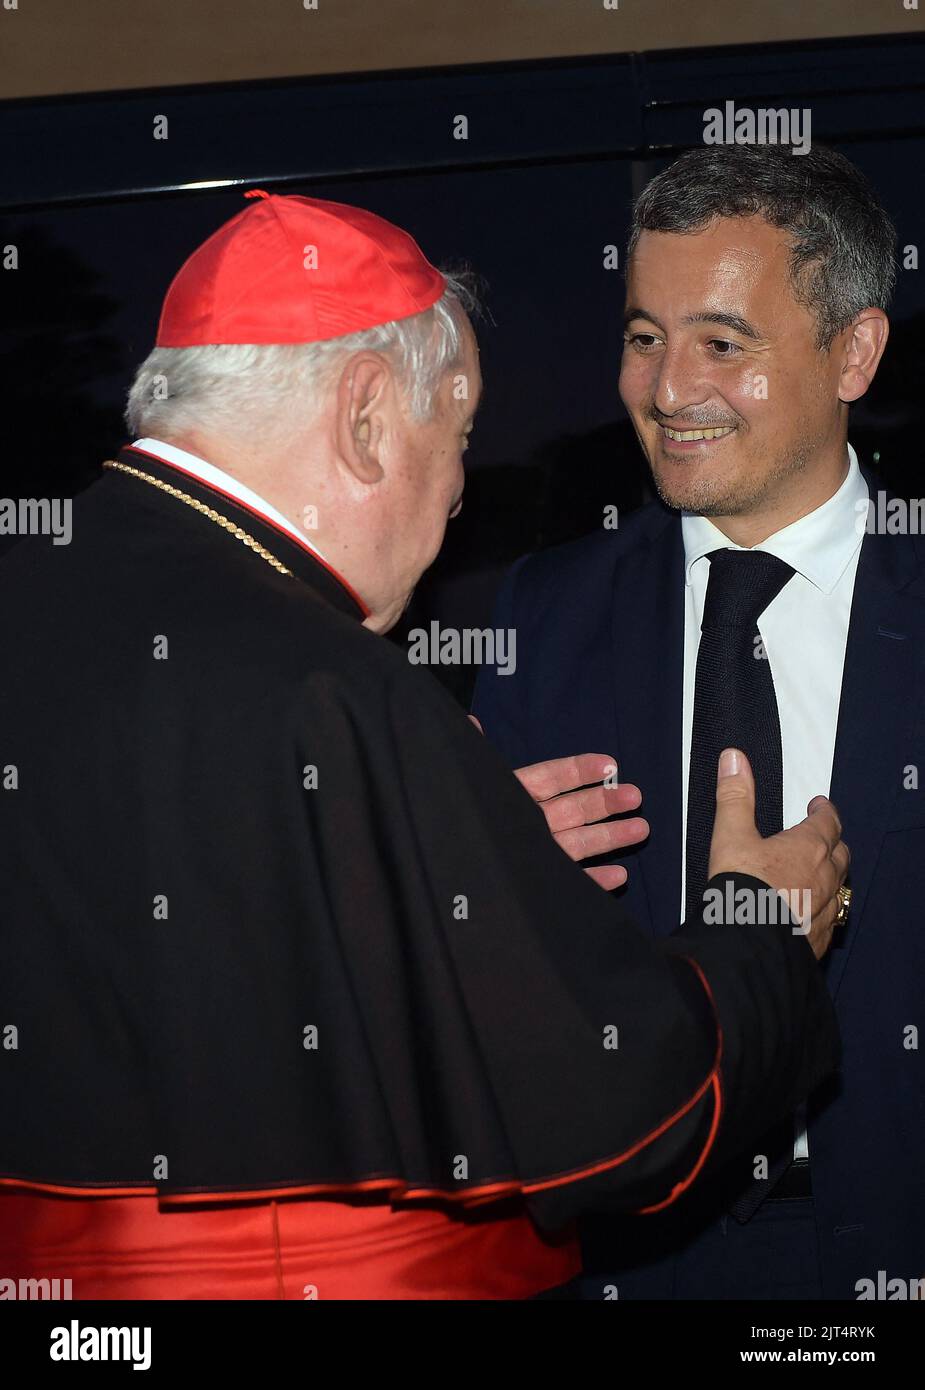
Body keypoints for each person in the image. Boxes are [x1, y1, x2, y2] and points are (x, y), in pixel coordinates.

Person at [0, 190, 844, 1300]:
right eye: (454, 440)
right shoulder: (333, 681)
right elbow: (631, 1116)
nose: (454, 501)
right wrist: (767, 935)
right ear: (362, 416)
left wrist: (437, 862)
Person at [474, 144, 921, 1300]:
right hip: (631, 1255)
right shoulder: (540, 612)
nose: (666, 389)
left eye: (722, 343)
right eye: (641, 337)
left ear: (853, 351)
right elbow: (483, 1011)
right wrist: (476, 885)